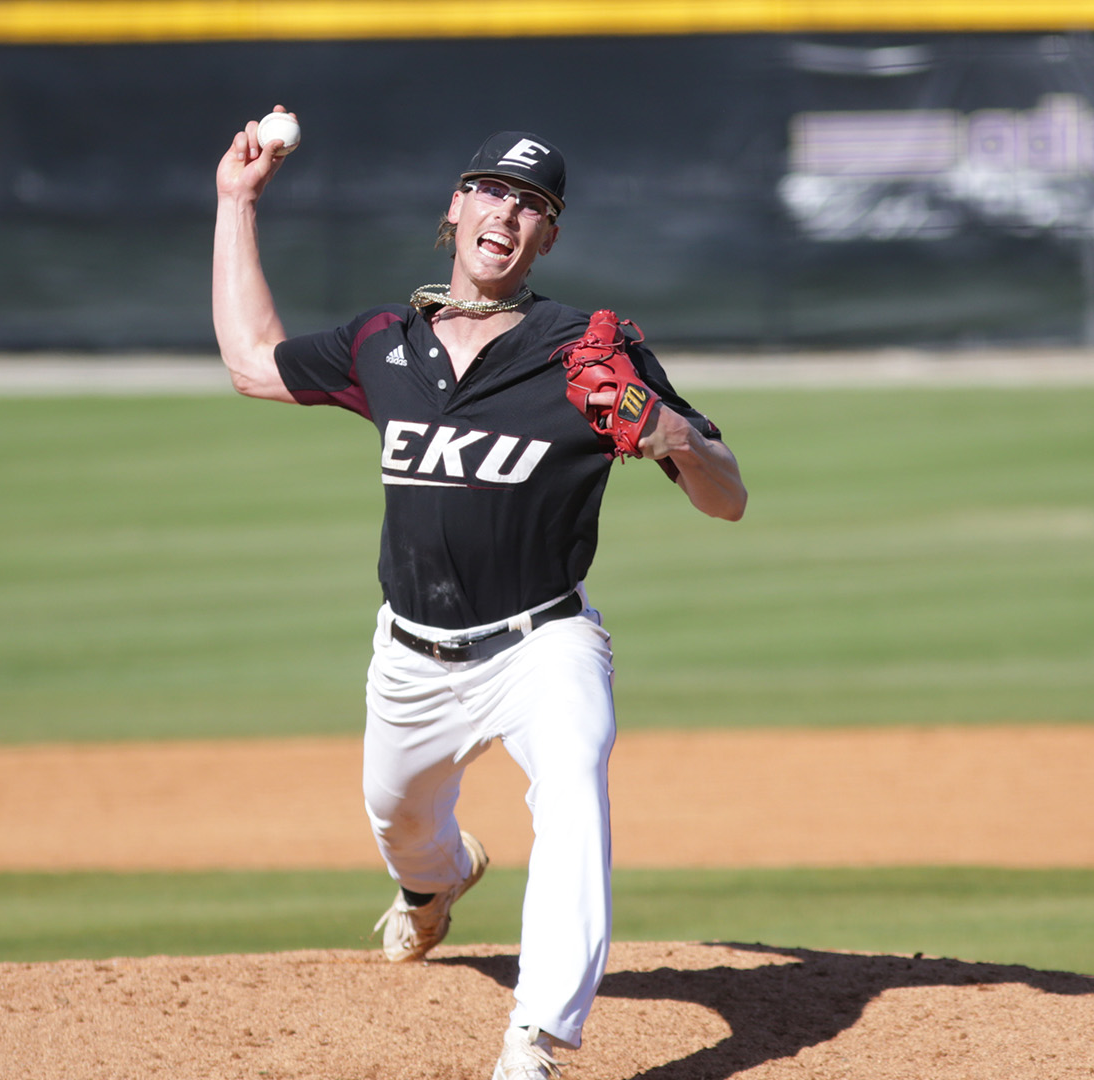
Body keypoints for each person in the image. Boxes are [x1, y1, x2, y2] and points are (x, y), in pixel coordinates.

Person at [212, 107, 747, 1080]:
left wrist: (665, 431)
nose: (507, 211)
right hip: (410, 656)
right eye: (492, 190)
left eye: (532, 203)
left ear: (549, 236)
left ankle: (535, 1042)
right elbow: (253, 365)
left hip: (544, 645)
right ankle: (439, 884)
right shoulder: (386, 342)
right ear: (455, 208)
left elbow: (728, 496)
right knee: (400, 824)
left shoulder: (590, 351)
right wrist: (235, 201)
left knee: (574, 790)